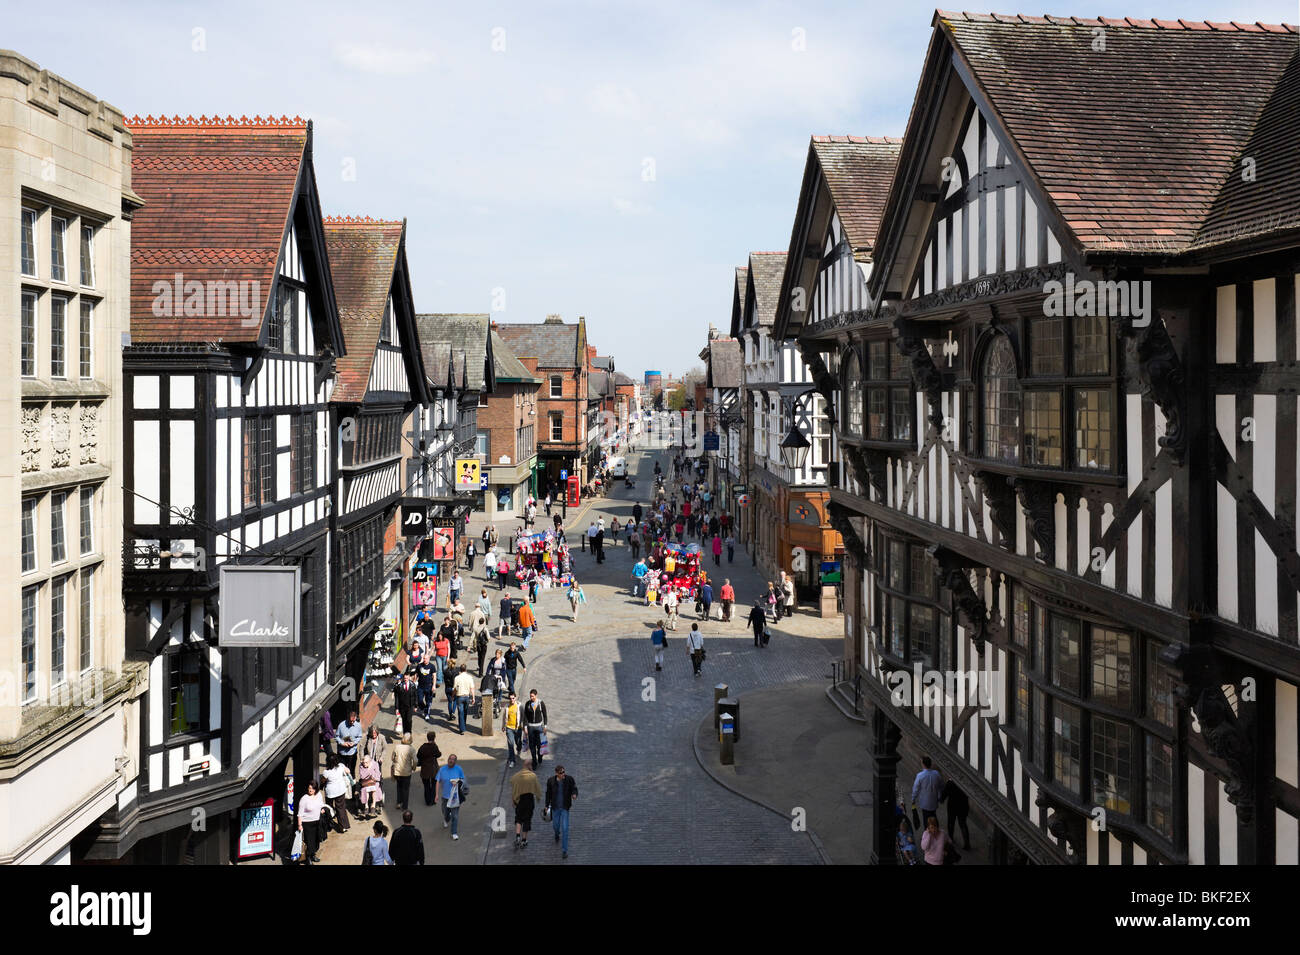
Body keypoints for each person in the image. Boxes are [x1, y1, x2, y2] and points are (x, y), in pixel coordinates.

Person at [545, 765, 578, 859]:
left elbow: (574, 788)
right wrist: (547, 805)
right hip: (555, 808)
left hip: (565, 808)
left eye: (564, 772)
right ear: (556, 773)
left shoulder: (569, 779)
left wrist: (574, 794)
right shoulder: (551, 781)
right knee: (555, 825)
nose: (563, 774)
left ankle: (564, 850)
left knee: (565, 829)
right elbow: (548, 794)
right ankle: (556, 833)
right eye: (561, 773)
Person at [435, 753, 467, 840]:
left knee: (455, 816)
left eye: (453, 759)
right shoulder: (442, 769)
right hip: (445, 796)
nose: (451, 760)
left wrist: (457, 782)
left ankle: (454, 833)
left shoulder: (458, 769)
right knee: (445, 812)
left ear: (455, 761)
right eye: (450, 758)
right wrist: (437, 794)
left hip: (455, 797)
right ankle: (446, 818)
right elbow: (437, 781)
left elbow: (463, 780)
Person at [511, 764, 543, 849]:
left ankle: (518, 836)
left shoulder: (517, 776)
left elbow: (513, 787)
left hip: (520, 801)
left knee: (518, 818)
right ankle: (524, 840)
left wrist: (514, 799)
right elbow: (537, 788)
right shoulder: (532, 776)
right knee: (527, 820)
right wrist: (538, 796)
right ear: (530, 767)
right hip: (529, 801)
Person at [319, 753, 352, 834]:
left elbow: (322, 781)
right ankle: (343, 826)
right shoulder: (340, 767)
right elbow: (348, 771)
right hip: (340, 791)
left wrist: (320, 787)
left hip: (330, 793)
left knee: (329, 808)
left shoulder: (326, 772)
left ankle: (329, 825)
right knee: (341, 809)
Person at [297, 780, 325, 864]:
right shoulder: (304, 799)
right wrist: (299, 825)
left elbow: (321, 804)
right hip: (307, 823)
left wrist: (322, 809)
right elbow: (300, 814)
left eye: (312, 788)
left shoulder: (319, 795)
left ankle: (313, 855)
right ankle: (308, 858)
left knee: (316, 840)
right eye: (309, 788)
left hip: (317, 821)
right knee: (309, 842)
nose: (310, 790)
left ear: (316, 789)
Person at [911, 756, 943, 830]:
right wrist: (939, 795)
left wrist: (913, 799)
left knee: (926, 819)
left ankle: (928, 834)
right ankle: (936, 831)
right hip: (934, 801)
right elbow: (941, 785)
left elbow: (915, 788)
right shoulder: (936, 774)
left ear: (923, 764)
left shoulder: (920, 775)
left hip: (925, 802)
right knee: (934, 816)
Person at [941, 778, 972, 850]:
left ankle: (951, 839)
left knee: (951, 823)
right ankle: (967, 844)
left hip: (952, 806)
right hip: (963, 806)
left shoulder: (950, 782)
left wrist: (941, 799)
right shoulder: (965, 781)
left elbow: (944, 793)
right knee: (963, 824)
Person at [389, 731, 417, 811]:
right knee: (406, 789)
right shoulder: (411, 749)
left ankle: (398, 802)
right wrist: (413, 767)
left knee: (399, 787)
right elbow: (415, 760)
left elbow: (392, 758)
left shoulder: (397, 747)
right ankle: (404, 806)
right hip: (407, 772)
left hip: (397, 771)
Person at [523, 689, 548, 770]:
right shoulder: (527, 704)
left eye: (533, 696)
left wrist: (545, 726)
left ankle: (540, 756)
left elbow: (545, 715)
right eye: (530, 696)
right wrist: (525, 727)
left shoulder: (541, 703)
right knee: (532, 745)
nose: (531, 698)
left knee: (539, 745)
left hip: (539, 727)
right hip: (530, 727)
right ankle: (534, 761)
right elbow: (525, 716)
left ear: (536, 695)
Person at [417, 731, 442, 806]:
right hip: (434, 769)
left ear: (427, 738)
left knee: (426, 786)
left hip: (425, 769)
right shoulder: (434, 746)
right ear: (434, 738)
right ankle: (432, 800)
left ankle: (427, 801)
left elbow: (418, 755)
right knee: (434, 785)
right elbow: (439, 754)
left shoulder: (422, 747)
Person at [336, 710, 363, 776]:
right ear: (347, 718)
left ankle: (353, 785)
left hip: (352, 753)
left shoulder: (358, 726)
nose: (352, 722)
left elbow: (359, 737)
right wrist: (342, 743)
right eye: (350, 721)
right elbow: (336, 737)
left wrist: (354, 743)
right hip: (342, 753)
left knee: (352, 771)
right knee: (342, 772)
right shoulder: (341, 725)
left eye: (353, 721)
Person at [452, 664, 477, 735]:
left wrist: (453, 695)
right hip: (466, 697)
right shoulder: (469, 677)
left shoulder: (457, 678)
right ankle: (463, 725)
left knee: (460, 713)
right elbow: (472, 688)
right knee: (465, 712)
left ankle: (462, 728)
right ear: (466, 669)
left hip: (459, 697)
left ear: (460, 670)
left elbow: (455, 689)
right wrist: (473, 697)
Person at [357, 754, 383, 819]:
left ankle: (373, 805)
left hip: (374, 781)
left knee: (375, 788)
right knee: (365, 789)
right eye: (364, 762)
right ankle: (366, 806)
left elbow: (378, 775)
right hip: (366, 782)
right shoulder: (361, 766)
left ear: (370, 761)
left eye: (366, 762)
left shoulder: (375, 764)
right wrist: (369, 770)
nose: (364, 764)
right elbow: (362, 776)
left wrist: (371, 775)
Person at [502, 691, 523, 767]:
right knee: (511, 744)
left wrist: (524, 726)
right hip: (509, 728)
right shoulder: (507, 707)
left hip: (518, 728)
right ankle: (512, 760)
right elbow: (504, 717)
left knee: (518, 742)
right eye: (510, 698)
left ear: (515, 698)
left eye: (513, 698)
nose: (512, 700)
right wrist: (503, 726)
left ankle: (519, 747)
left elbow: (523, 717)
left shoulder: (519, 706)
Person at [393, 669, 416, 736]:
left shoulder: (412, 685)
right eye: (404, 678)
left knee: (409, 720)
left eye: (407, 678)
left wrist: (415, 705)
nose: (405, 679)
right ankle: (405, 733)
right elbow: (397, 697)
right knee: (404, 720)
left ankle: (409, 732)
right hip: (402, 706)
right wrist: (397, 708)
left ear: (409, 677)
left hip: (410, 706)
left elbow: (415, 695)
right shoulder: (400, 686)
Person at [471, 607, 491, 675]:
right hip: (483, 645)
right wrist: (487, 641)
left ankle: (479, 666)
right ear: (484, 622)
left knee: (479, 656)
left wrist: (470, 645)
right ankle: (480, 672)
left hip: (478, 644)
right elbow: (488, 637)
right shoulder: (485, 628)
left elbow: (473, 637)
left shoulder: (476, 628)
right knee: (483, 658)